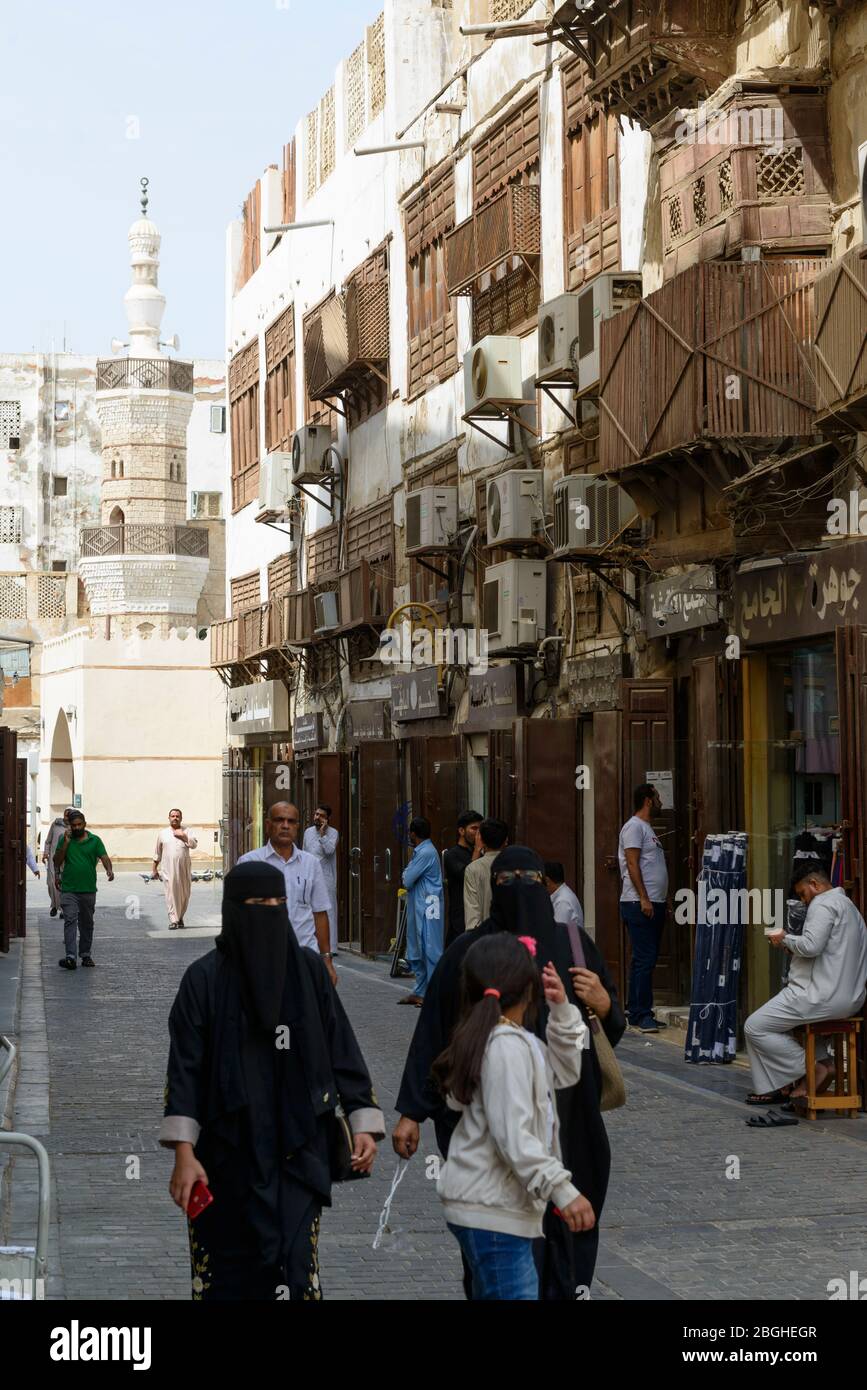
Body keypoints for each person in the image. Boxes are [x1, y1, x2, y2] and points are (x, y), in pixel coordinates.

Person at [393, 845, 626, 1298]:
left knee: (567, 1249)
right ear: (491, 887)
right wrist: (411, 1111)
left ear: (545, 885)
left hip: (571, 1118)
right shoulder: (470, 952)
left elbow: (596, 1042)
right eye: (506, 880)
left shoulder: (575, 944)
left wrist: (603, 1004)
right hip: (491, 1146)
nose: (519, 888)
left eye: (529, 878)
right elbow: (433, 1034)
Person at [160, 861, 384, 1301]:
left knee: (296, 1274)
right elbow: (184, 1070)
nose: (271, 912)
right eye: (259, 904)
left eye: (279, 903)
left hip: (298, 1152)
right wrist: (184, 1154)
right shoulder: (203, 981)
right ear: (234, 911)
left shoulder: (308, 972)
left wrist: (363, 1121)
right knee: (225, 1280)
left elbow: (342, 1047)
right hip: (224, 1158)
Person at [434, 933, 594, 1300]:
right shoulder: (505, 1048)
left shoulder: (512, 1041)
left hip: (494, 1209)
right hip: (493, 1212)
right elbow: (515, 1137)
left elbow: (563, 1073)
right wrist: (563, 1190)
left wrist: (563, 1012)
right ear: (527, 987)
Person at [744, 862, 867, 1107]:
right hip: (850, 997)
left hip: (822, 995)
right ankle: (824, 1066)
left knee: (755, 1026)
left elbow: (812, 946)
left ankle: (814, 1068)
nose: (804, 900)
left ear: (814, 884)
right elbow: (829, 951)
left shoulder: (822, 904)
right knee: (797, 1026)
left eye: (803, 894)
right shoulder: (849, 907)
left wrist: (784, 939)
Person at [239, 804, 336, 988]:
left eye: (291, 821)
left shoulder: (311, 864)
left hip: (305, 959)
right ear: (268, 825)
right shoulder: (249, 863)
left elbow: (320, 913)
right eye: (279, 820)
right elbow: (240, 917)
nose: (285, 825)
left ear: (297, 827)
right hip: (263, 962)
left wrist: (327, 961)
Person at [619, 784, 668, 1032]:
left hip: (652, 903)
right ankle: (642, 1012)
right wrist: (644, 898)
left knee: (642, 958)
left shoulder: (647, 829)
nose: (660, 802)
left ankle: (636, 1010)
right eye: (657, 798)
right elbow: (632, 862)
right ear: (648, 801)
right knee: (646, 959)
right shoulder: (634, 827)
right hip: (639, 903)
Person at [53, 812, 114, 971]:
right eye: (74, 825)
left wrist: (109, 870)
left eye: (80, 824)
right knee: (70, 921)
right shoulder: (65, 840)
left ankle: (85, 954)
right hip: (69, 889)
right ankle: (70, 957)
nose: (77, 828)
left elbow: (104, 857)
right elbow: (57, 860)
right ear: (70, 826)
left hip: (88, 889)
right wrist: (65, 843)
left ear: (85, 824)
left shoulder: (95, 840)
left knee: (87, 923)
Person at [399, 818, 445, 1008]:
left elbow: (407, 879)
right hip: (419, 904)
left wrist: (406, 872)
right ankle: (420, 992)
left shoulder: (425, 852)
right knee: (417, 948)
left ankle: (433, 994)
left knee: (430, 948)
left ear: (413, 834)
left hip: (428, 906)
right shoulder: (423, 852)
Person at [152, 809, 198, 931]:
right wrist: (154, 869)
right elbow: (157, 853)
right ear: (169, 818)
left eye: (177, 816)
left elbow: (193, 845)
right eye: (173, 816)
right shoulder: (163, 833)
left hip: (184, 868)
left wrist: (183, 836)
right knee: (171, 893)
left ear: (181, 818)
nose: (175, 818)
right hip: (168, 869)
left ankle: (180, 916)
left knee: (185, 893)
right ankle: (173, 920)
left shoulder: (187, 831)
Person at [443, 811, 483, 949]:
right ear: (461, 830)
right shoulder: (451, 855)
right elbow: (467, 875)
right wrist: (477, 850)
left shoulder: (480, 854)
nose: (478, 833)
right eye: (474, 828)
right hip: (460, 917)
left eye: (480, 829)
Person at [303, 805, 339, 955]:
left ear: (327, 818)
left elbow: (330, 851)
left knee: (328, 911)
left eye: (321, 815)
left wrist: (323, 835)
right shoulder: (308, 832)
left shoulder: (333, 833)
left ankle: (331, 948)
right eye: (316, 814)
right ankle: (313, 944)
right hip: (309, 876)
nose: (317, 817)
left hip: (326, 877)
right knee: (310, 910)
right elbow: (304, 853)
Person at [463, 818, 509, 932]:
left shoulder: (473, 869)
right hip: (511, 940)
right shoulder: (515, 867)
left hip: (483, 940)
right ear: (506, 840)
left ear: (481, 840)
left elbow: (472, 918)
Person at [43, 809, 73, 917]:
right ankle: (55, 905)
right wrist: (46, 853)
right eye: (65, 815)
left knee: (63, 884)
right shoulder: (55, 825)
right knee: (51, 884)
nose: (67, 818)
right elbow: (48, 841)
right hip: (53, 859)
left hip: (66, 860)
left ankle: (61, 909)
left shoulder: (74, 827)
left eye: (69, 816)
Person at [544, 862, 585, 935]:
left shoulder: (562, 902)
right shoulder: (564, 894)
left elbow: (558, 935)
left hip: (571, 945)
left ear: (547, 881)